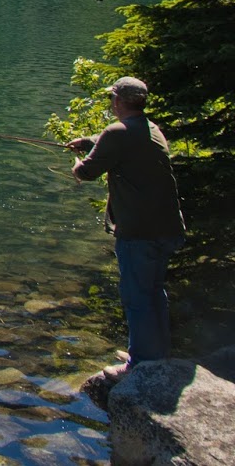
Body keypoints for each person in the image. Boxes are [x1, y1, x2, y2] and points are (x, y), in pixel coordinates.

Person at [67, 76, 187, 377]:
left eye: (112, 98)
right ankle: (154, 353)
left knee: (136, 296)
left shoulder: (117, 132)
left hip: (139, 232)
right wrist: (90, 142)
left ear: (118, 101)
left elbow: (87, 171)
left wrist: (78, 162)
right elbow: (125, 141)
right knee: (154, 292)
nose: (111, 103)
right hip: (167, 227)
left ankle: (141, 362)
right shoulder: (152, 129)